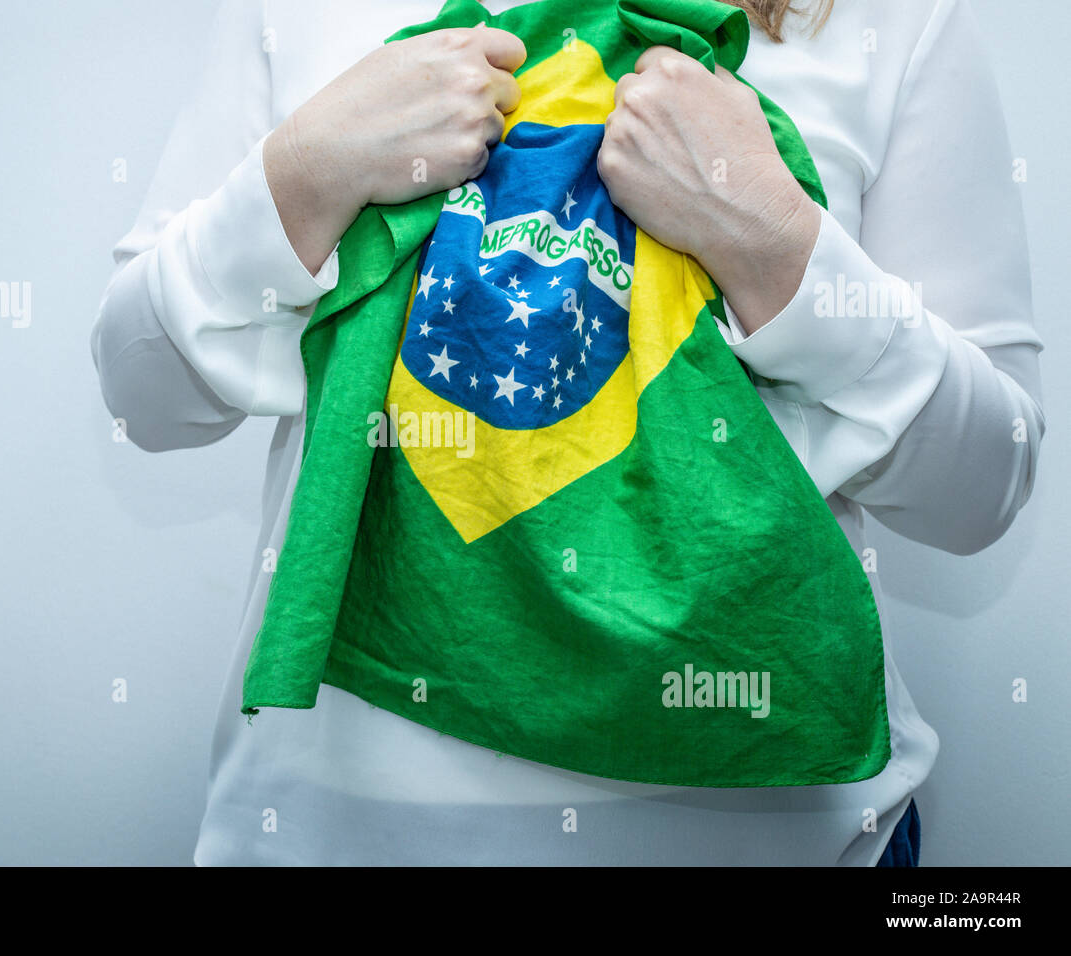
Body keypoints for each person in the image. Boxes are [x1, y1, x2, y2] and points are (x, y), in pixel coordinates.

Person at [90, 0, 1044, 865]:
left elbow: (985, 487)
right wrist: (306, 173)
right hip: (323, 838)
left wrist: (776, 246)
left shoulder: (898, 20)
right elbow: (145, 398)